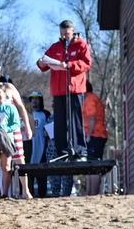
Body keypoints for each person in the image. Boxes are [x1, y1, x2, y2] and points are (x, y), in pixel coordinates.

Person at [37, 20, 92, 161]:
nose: (64, 37)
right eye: (61, 34)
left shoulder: (81, 45)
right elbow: (44, 63)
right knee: (59, 123)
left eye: (66, 34)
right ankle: (62, 153)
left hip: (74, 90)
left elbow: (86, 63)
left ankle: (80, 152)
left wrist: (69, 65)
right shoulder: (55, 47)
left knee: (75, 121)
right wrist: (41, 62)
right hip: (58, 91)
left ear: (72, 31)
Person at [83, 80, 108, 195]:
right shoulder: (91, 99)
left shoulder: (90, 99)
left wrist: (88, 136)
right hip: (94, 135)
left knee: (94, 165)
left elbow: (91, 117)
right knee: (89, 165)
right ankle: (89, 193)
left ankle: (93, 193)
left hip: (96, 135)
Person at [27, 91, 53, 198]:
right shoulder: (26, 114)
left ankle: (42, 195)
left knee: (42, 176)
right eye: (32, 98)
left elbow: (50, 133)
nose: (34, 100)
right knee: (28, 176)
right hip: (29, 150)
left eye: (37, 98)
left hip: (43, 150)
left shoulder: (46, 114)